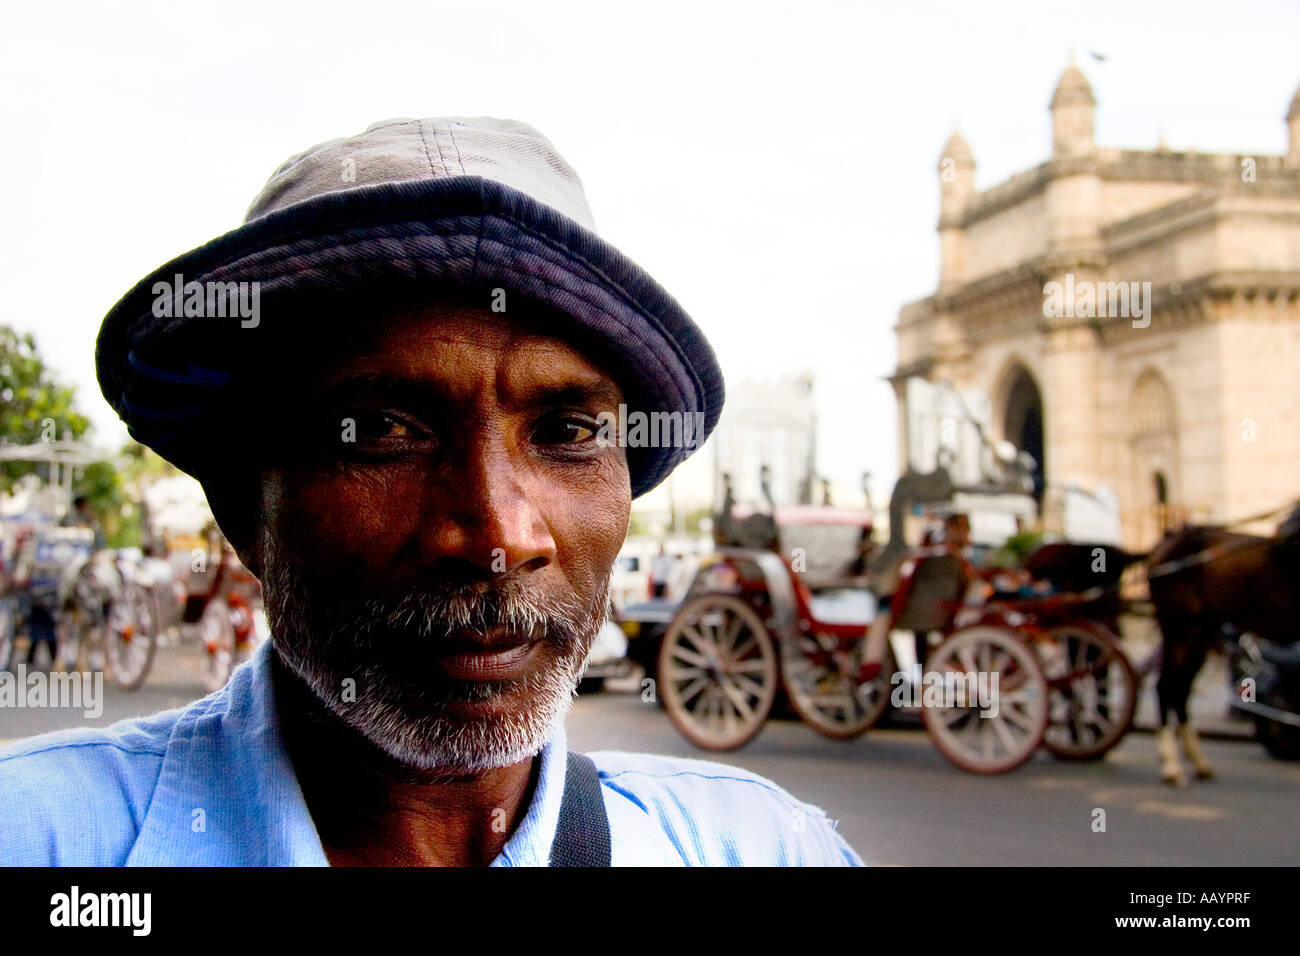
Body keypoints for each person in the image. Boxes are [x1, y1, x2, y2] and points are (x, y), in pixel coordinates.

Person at [0, 117, 861, 867]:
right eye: (380, 431)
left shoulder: (758, 849)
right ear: (239, 503)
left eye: (567, 432)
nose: (497, 531)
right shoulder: (40, 842)